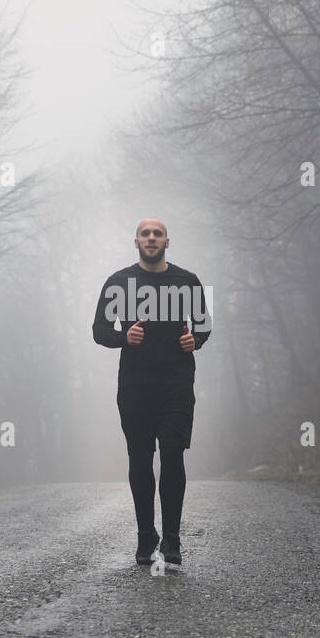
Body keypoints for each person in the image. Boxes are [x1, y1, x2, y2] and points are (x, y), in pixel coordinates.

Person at [92, 218, 211, 567]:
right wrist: (122, 337)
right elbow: (100, 329)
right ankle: (147, 537)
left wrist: (196, 340)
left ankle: (172, 539)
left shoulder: (186, 281)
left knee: (173, 455)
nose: (152, 238)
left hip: (176, 384)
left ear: (167, 242)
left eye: (157, 233)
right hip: (135, 386)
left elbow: (203, 324)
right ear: (136, 241)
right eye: (146, 233)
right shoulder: (119, 283)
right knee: (140, 459)